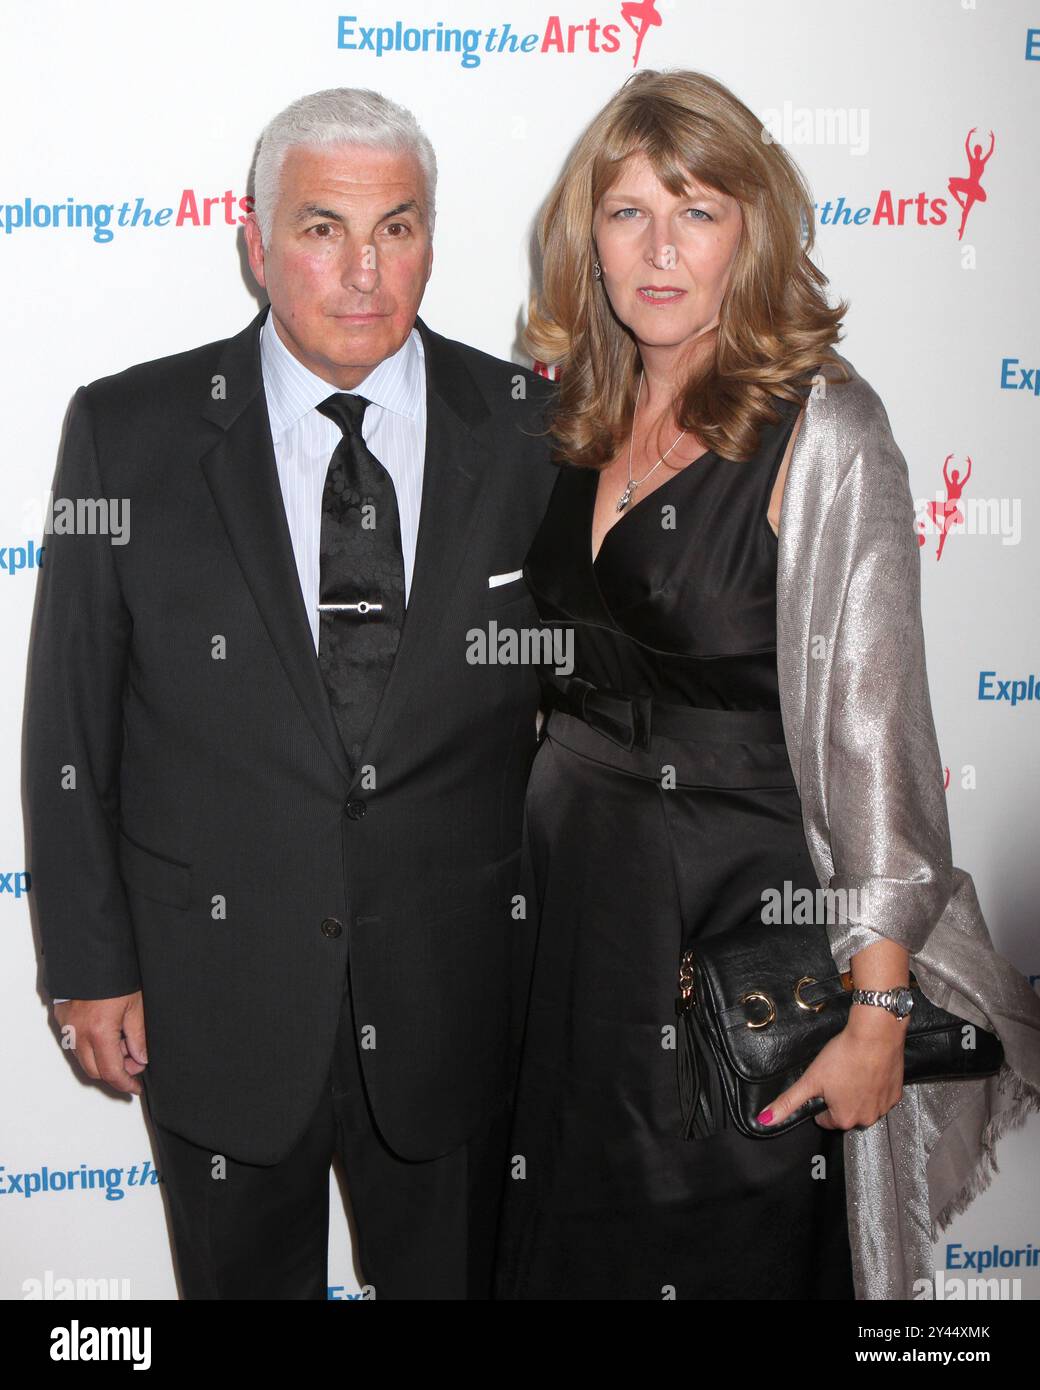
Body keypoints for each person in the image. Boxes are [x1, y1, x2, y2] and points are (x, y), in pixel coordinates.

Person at [493, 69, 1040, 1300]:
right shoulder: (576, 411)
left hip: (736, 925)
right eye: (626, 212)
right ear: (587, 235)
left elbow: (875, 741)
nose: (659, 248)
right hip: (571, 909)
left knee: (727, 1240)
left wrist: (877, 1011)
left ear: (754, 230)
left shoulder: (825, 428)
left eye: (696, 210)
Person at [25, 87, 556, 1300]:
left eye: (398, 228)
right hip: (215, 998)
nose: (364, 271)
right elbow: (70, 719)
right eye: (322, 228)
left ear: (433, 236)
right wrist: (88, 962)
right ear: (255, 244)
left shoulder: (531, 427)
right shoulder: (128, 432)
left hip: (457, 992)